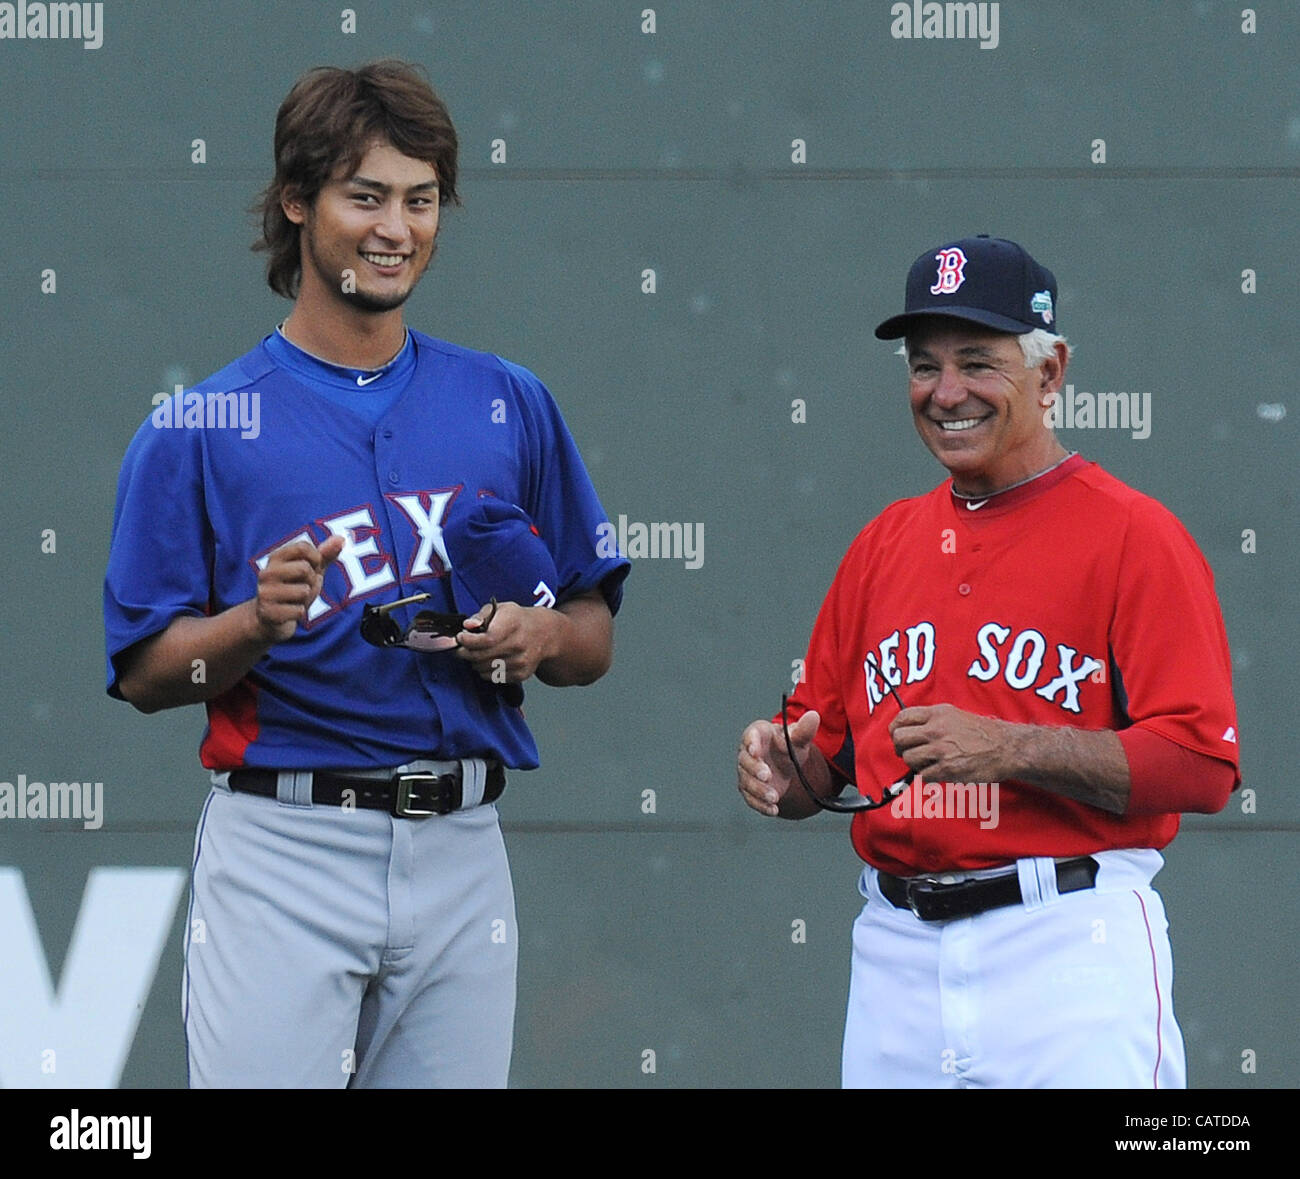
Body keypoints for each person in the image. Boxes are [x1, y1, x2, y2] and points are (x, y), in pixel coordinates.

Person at [104, 60, 629, 1089]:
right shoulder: (200, 427)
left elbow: (590, 633)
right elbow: (144, 674)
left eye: (421, 199)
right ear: (296, 201)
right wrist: (253, 623)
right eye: (366, 195)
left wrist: (546, 636)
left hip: (463, 843)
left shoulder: (507, 401)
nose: (397, 227)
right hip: (284, 845)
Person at [736, 235, 1239, 1089]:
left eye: (978, 361)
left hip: (1067, 941)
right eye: (924, 365)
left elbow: (1202, 762)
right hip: (896, 949)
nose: (947, 392)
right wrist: (788, 772)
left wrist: (1009, 747)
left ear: (1050, 374)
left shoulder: (1135, 535)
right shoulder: (882, 544)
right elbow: (831, 765)